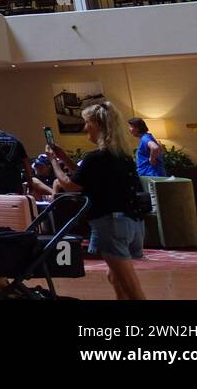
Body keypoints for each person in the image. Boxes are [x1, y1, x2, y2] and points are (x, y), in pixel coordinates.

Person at [48, 100, 148, 300]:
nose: (85, 128)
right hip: (132, 221)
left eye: (87, 123)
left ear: (98, 125)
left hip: (111, 223)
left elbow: (69, 185)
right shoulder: (122, 155)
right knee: (115, 276)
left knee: (132, 288)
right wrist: (64, 158)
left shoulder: (96, 157)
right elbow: (87, 177)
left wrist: (53, 161)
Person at [0, 120, 35, 195]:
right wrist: (30, 183)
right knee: (14, 205)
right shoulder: (16, 140)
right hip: (15, 183)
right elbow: (26, 162)